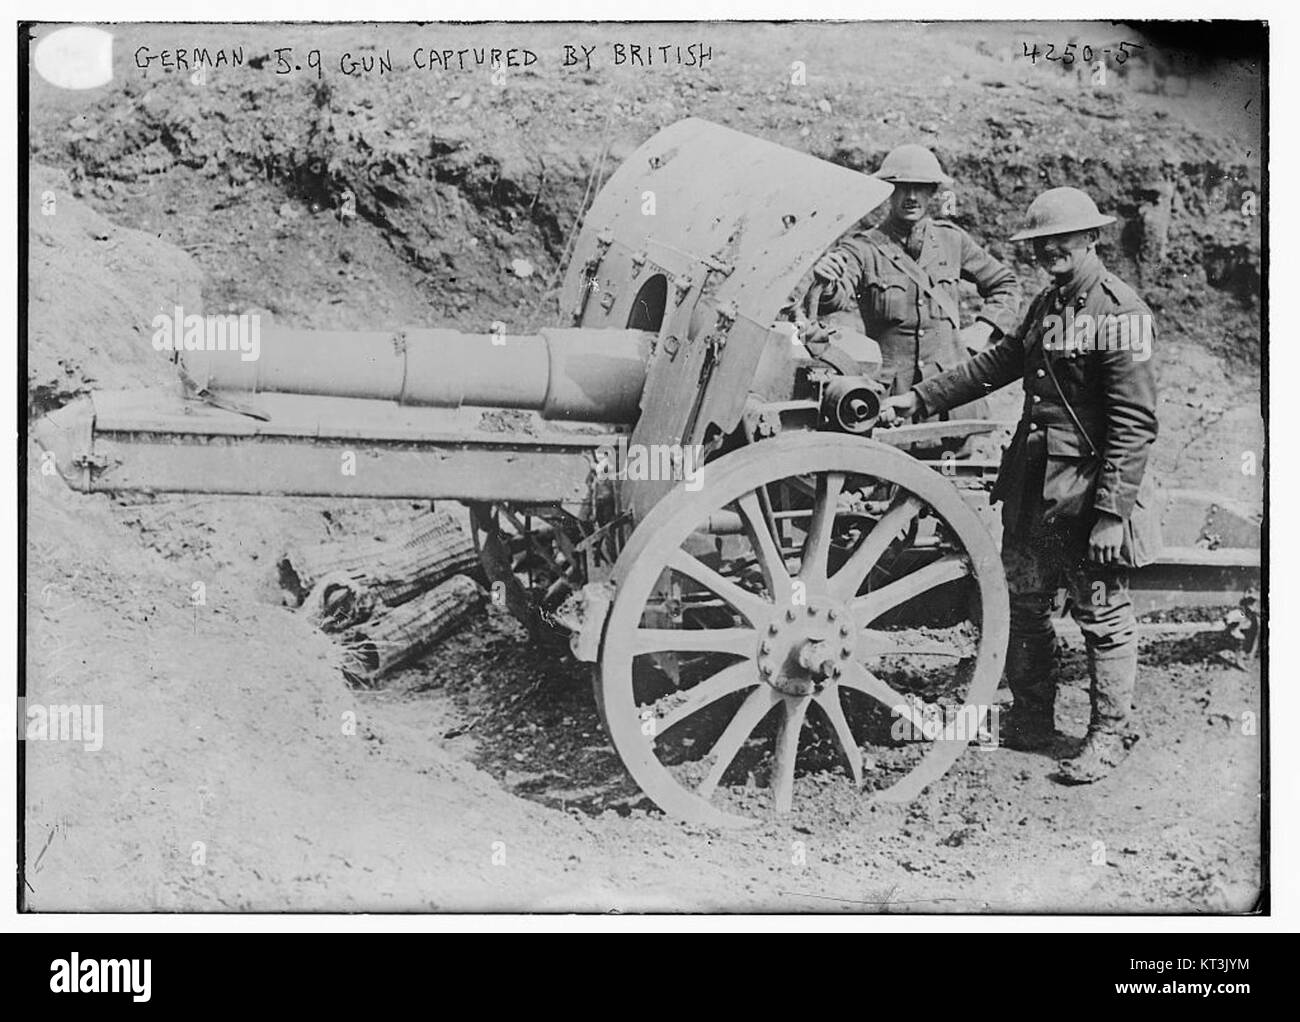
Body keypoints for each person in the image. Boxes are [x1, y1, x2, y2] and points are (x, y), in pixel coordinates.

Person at [881, 186, 1161, 784]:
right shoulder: (1047, 304)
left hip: (1088, 492)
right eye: (1038, 243)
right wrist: (919, 398)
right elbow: (998, 363)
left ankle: (1109, 735)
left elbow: (1134, 424)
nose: (1048, 251)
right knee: (1023, 603)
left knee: (1102, 612)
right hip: (1034, 486)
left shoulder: (1120, 312)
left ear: (1091, 238)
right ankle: (1034, 720)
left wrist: (1113, 513)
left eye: (1061, 240)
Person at [811, 144, 1021, 438]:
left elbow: (1006, 284)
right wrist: (827, 280)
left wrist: (984, 328)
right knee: (886, 477)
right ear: (887, 191)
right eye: (901, 188)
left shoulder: (952, 241)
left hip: (950, 398)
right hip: (890, 403)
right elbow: (835, 297)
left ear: (933, 191)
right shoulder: (862, 249)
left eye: (920, 188)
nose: (911, 197)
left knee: (953, 476)